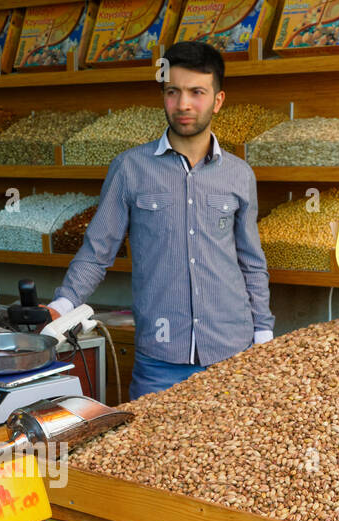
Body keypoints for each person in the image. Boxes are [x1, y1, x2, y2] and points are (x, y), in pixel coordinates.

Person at [47, 40, 274, 399]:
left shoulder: (239, 174)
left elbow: (251, 262)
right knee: (151, 453)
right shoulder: (130, 168)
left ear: (217, 100)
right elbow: (97, 251)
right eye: (173, 92)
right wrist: (64, 303)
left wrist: (263, 331)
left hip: (234, 354)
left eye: (197, 92)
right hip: (160, 361)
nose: (184, 104)